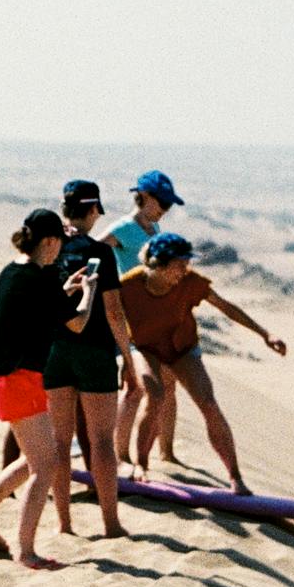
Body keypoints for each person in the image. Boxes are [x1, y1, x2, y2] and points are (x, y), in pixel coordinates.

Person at [0, 210, 81, 569]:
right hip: (19, 379)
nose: (61, 251)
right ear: (49, 241)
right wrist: (85, 293)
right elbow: (78, 323)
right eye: (60, 242)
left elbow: (35, 309)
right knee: (47, 464)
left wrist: (64, 291)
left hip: (2, 378)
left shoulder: (13, 272)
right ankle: (25, 550)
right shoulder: (41, 280)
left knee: (33, 459)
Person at [119, 231, 288, 494]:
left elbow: (226, 306)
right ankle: (141, 464)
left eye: (187, 264)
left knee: (208, 403)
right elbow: (110, 320)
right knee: (154, 394)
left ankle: (236, 477)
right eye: (179, 265)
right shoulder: (128, 286)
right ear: (158, 264)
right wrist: (122, 360)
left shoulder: (191, 282)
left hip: (182, 347)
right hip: (146, 347)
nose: (184, 270)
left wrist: (265, 333)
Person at [47, 179, 139, 536]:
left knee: (58, 439)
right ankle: (111, 523)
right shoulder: (98, 253)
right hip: (94, 351)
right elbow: (114, 313)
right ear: (92, 210)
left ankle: (64, 523)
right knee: (101, 440)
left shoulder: (49, 248)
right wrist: (129, 363)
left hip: (54, 350)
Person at [109, 170, 191, 471]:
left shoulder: (153, 227)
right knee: (135, 387)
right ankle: (121, 455)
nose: (165, 210)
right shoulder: (124, 228)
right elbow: (94, 251)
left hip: (158, 316)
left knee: (169, 385)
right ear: (143, 197)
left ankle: (167, 454)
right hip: (132, 320)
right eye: (163, 203)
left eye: (169, 205)